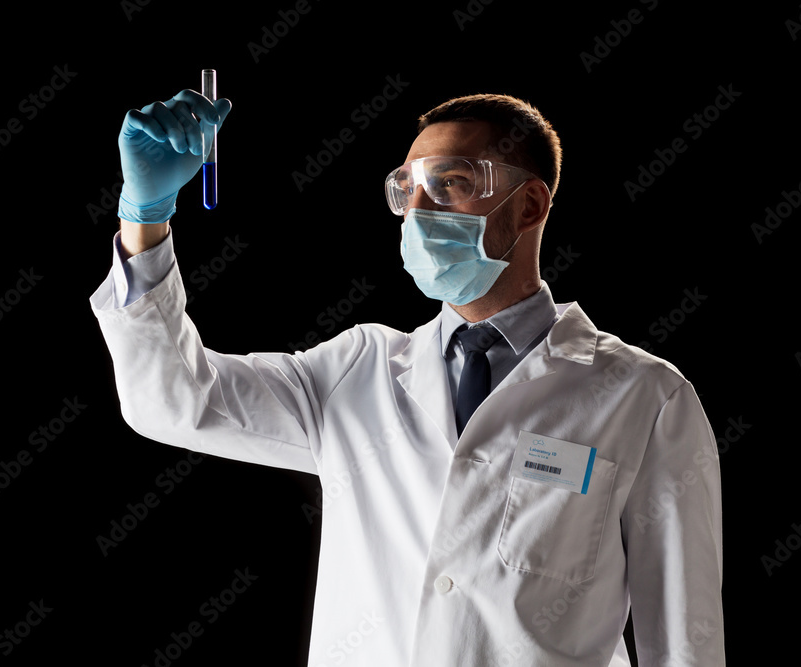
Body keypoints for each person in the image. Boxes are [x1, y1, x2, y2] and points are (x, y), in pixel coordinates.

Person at [90, 90, 726, 666]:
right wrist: (143, 216)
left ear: (529, 203)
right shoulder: (355, 371)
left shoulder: (645, 396)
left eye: (449, 183)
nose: (418, 210)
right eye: (407, 189)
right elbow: (173, 402)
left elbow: (684, 637)